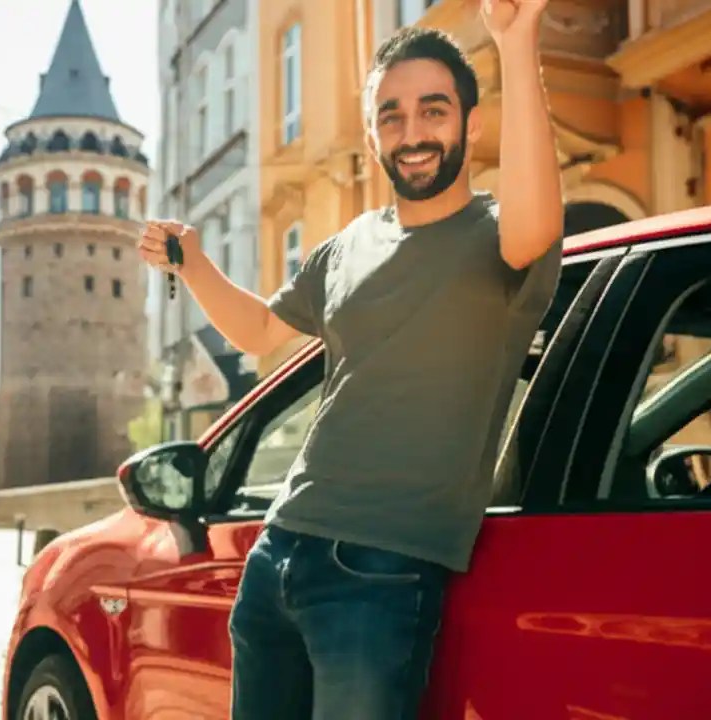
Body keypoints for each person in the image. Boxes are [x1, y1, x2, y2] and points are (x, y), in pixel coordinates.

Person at [135, 2, 563, 717]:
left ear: (471, 124)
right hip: (277, 554)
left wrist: (516, 44)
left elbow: (539, 221)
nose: (412, 132)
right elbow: (263, 332)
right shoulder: (348, 244)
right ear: (372, 137)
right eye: (391, 117)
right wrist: (198, 262)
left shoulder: (501, 237)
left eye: (434, 110)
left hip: (382, 574)